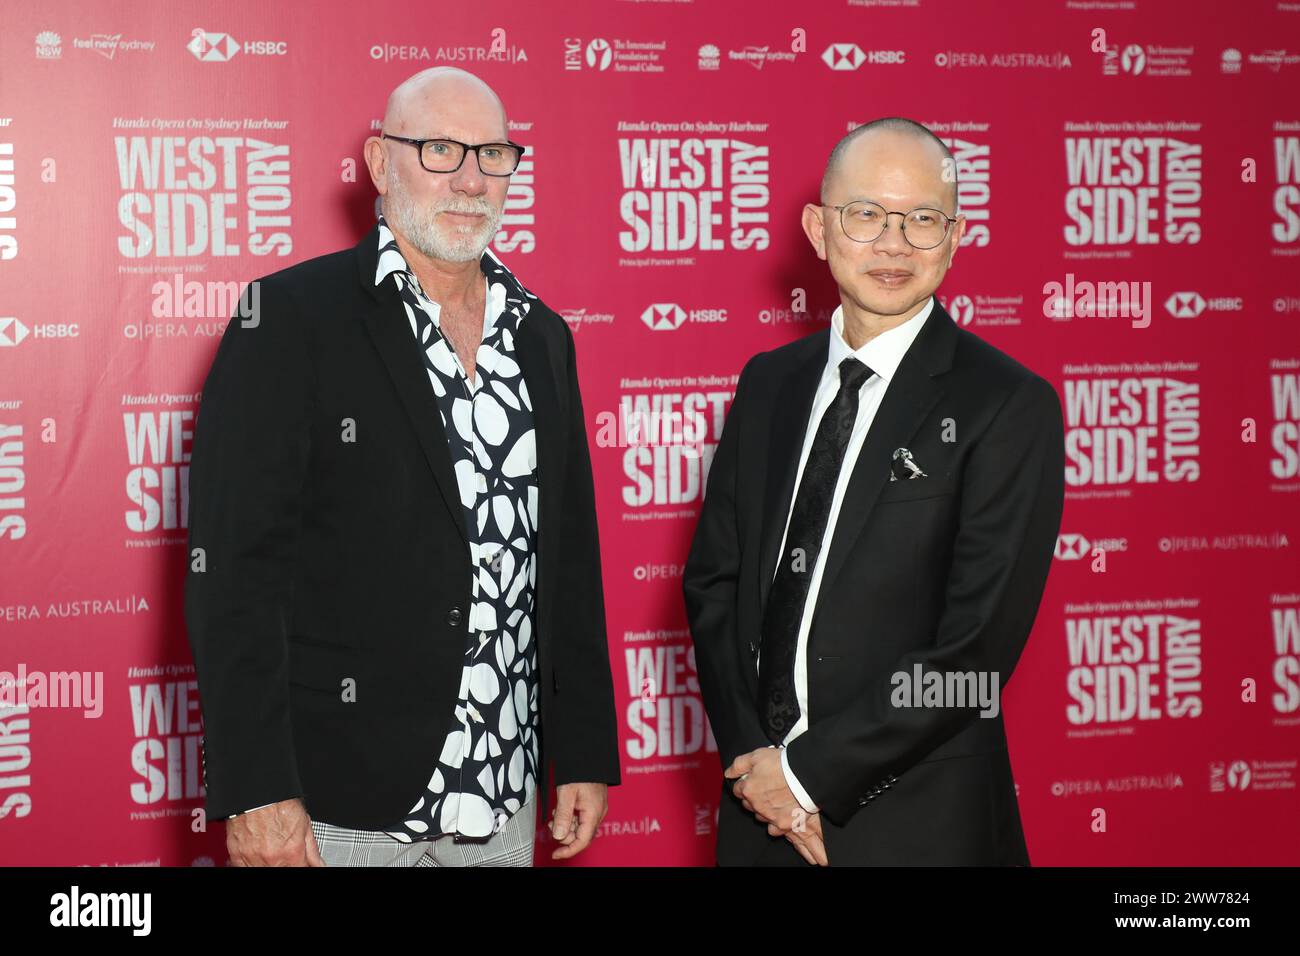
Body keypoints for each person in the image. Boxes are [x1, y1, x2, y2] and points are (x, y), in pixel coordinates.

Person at [185, 67, 620, 867]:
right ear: (382, 164)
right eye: (440, 149)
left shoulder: (542, 335)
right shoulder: (287, 319)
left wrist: (585, 749)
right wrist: (254, 787)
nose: (469, 178)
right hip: (334, 803)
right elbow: (236, 576)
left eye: (492, 155)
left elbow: (567, 561)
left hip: (504, 791)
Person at [684, 117, 1065, 866]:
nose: (894, 244)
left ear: (955, 238)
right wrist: (760, 771)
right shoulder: (770, 384)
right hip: (757, 815)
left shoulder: (1006, 404)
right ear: (819, 230)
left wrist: (806, 777)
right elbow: (714, 586)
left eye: (923, 220)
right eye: (867, 215)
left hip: (919, 825)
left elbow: (974, 652)